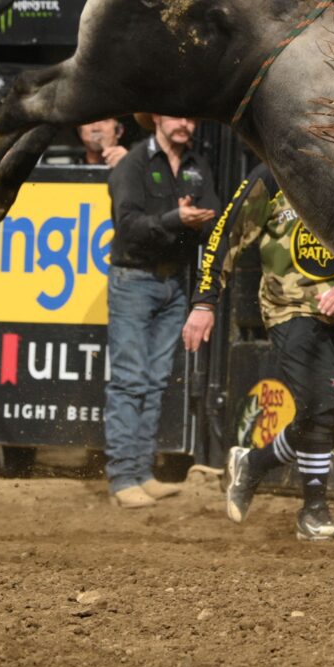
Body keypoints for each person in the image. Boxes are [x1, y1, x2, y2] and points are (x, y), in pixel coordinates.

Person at [182, 169, 334, 540]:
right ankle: (314, 511)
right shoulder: (275, 173)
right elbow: (226, 232)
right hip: (290, 308)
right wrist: (205, 301)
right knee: (323, 405)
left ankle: (252, 463)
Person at [103, 114, 219, 508]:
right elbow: (127, 224)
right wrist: (177, 218)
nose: (185, 122)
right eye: (176, 115)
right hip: (134, 278)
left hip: (173, 283)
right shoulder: (133, 164)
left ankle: (140, 472)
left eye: (190, 116)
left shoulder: (196, 165)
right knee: (130, 379)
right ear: (156, 118)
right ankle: (122, 477)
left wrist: (194, 220)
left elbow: (213, 216)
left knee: (152, 381)